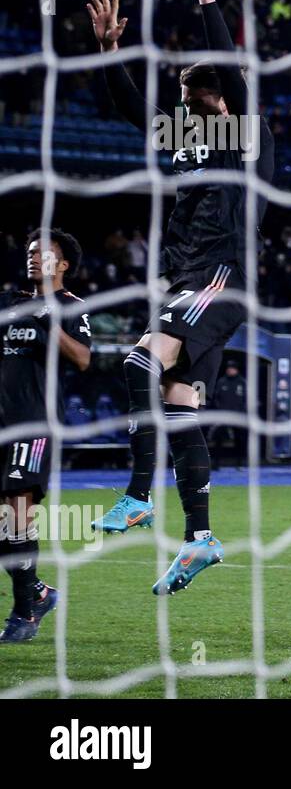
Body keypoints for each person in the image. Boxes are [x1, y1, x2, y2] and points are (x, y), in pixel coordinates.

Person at [87, 0, 276, 594]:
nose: (180, 108)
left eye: (189, 98)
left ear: (215, 102)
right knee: (177, 402)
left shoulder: (245, 137)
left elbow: (230, 68)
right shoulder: (188, 143)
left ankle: (138, 494)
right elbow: (131, 111)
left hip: (221, 279)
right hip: (189, 283)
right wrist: (110, 52)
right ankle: (200, 538)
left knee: (140, 361)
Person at [0, 230, 91, 642]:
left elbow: (83, 358)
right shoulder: (10, 303)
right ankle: (36, 592)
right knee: (6, 526)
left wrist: (46, 321)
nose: (34, 258)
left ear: (64, 265)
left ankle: (25, 611)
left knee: (17, 513)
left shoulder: (72, 308)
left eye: (45, 253)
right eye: (31, 252)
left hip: (34, 423)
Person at [208, 361, 248, 470]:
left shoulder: (242, 382)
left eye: (232, 368)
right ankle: (216, 463)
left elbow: (246, 400)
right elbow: (216, 398)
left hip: (238, 416)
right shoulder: (222, 381)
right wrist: (219, 410)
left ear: (237, 369)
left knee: (240, 440)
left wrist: (242, 412)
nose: (230, 370)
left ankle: (239, 463)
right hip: (223, 415)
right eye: (228, 368)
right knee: (218, 439)